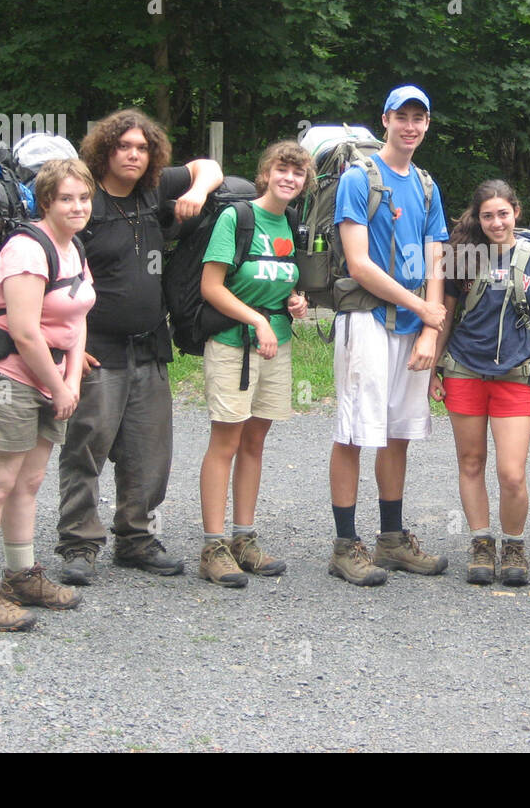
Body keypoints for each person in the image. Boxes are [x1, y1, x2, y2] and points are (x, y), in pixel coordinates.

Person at [55, 108, 223, 584]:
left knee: (149, 454)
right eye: (123, 146)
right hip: (95, 349)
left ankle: (136, 539)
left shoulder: (154, 189)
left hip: (150, 346)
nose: (133, 154)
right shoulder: (84, 201)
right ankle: (79, 544)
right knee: (86, 451)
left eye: (142, 148)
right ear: (104, 151)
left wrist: (195, 192)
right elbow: (53, 276)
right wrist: (67, 347)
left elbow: (209, 167)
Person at [0, 158, 98, 630]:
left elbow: (77, 319)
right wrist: (59, 386)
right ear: (45, 202)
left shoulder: (74, 247)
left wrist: (71, 380)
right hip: (6, 377)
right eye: (66, 199)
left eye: (84, 197)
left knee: (28, 482)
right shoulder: (26, 249)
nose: (77, 207)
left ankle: (21, 577)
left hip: (50, 378)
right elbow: (23, 330)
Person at [327, 85, 449, 586]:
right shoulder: (358, 179)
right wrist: (422, 308)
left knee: (398, 432)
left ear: (427, 124)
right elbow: (358, 263)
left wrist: (429, 329)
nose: (411, 126)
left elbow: (436, 257)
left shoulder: (426, 185)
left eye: (419, 118)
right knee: (354, 432)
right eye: (403, 116)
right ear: (385, 120)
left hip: (412, 325)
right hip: (366, 318)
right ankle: (344, 546)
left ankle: (392, 540)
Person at [429, 180, 530, 586]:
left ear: (516, 212)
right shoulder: (463, 258)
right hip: (464, 371)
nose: (496, 222)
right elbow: (446, 316)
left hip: (516, 376)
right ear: (478, 218)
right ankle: (481, 542)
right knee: (471, 462)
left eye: (503, 214)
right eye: (488, 216)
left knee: (512, 473)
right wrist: (434, 369)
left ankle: (514, 544)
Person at [196, 140, 312, 586]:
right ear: (266, 173)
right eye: (283, 169)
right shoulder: (237, 217)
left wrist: (296, 301)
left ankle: (243, 538)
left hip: (275, 344)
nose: (289, 178)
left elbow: (283, 277)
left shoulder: (292, 222)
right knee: (226, 441)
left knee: (255, 442)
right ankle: (213, 546)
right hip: (234, 343)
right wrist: (257, 320)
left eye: (298, 173)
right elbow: (212, 286)